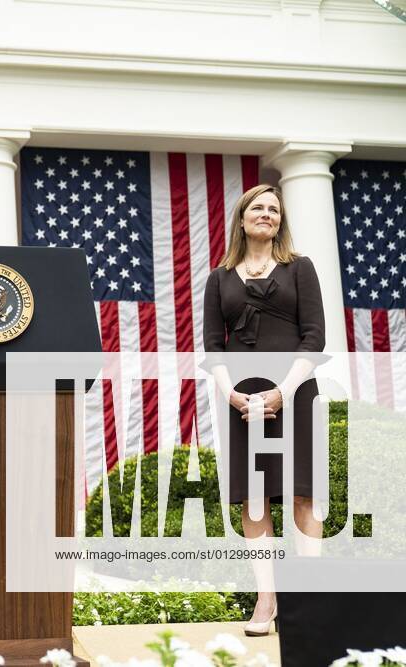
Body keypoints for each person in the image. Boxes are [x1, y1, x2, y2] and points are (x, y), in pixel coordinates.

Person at [202, 184, 325, 637]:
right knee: (255, 500)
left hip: (294, 390)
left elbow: (315, 336)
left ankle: (308, 602)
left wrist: (285, 391)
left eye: (274, 209)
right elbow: (213, 347)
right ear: (242, 218)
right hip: (242, 399)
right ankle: (267, 602)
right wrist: (231, 394)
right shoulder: (220, 278)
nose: (267, 214)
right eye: (259, 207)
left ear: (280, 222)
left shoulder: (300, 269)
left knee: (303, 493)